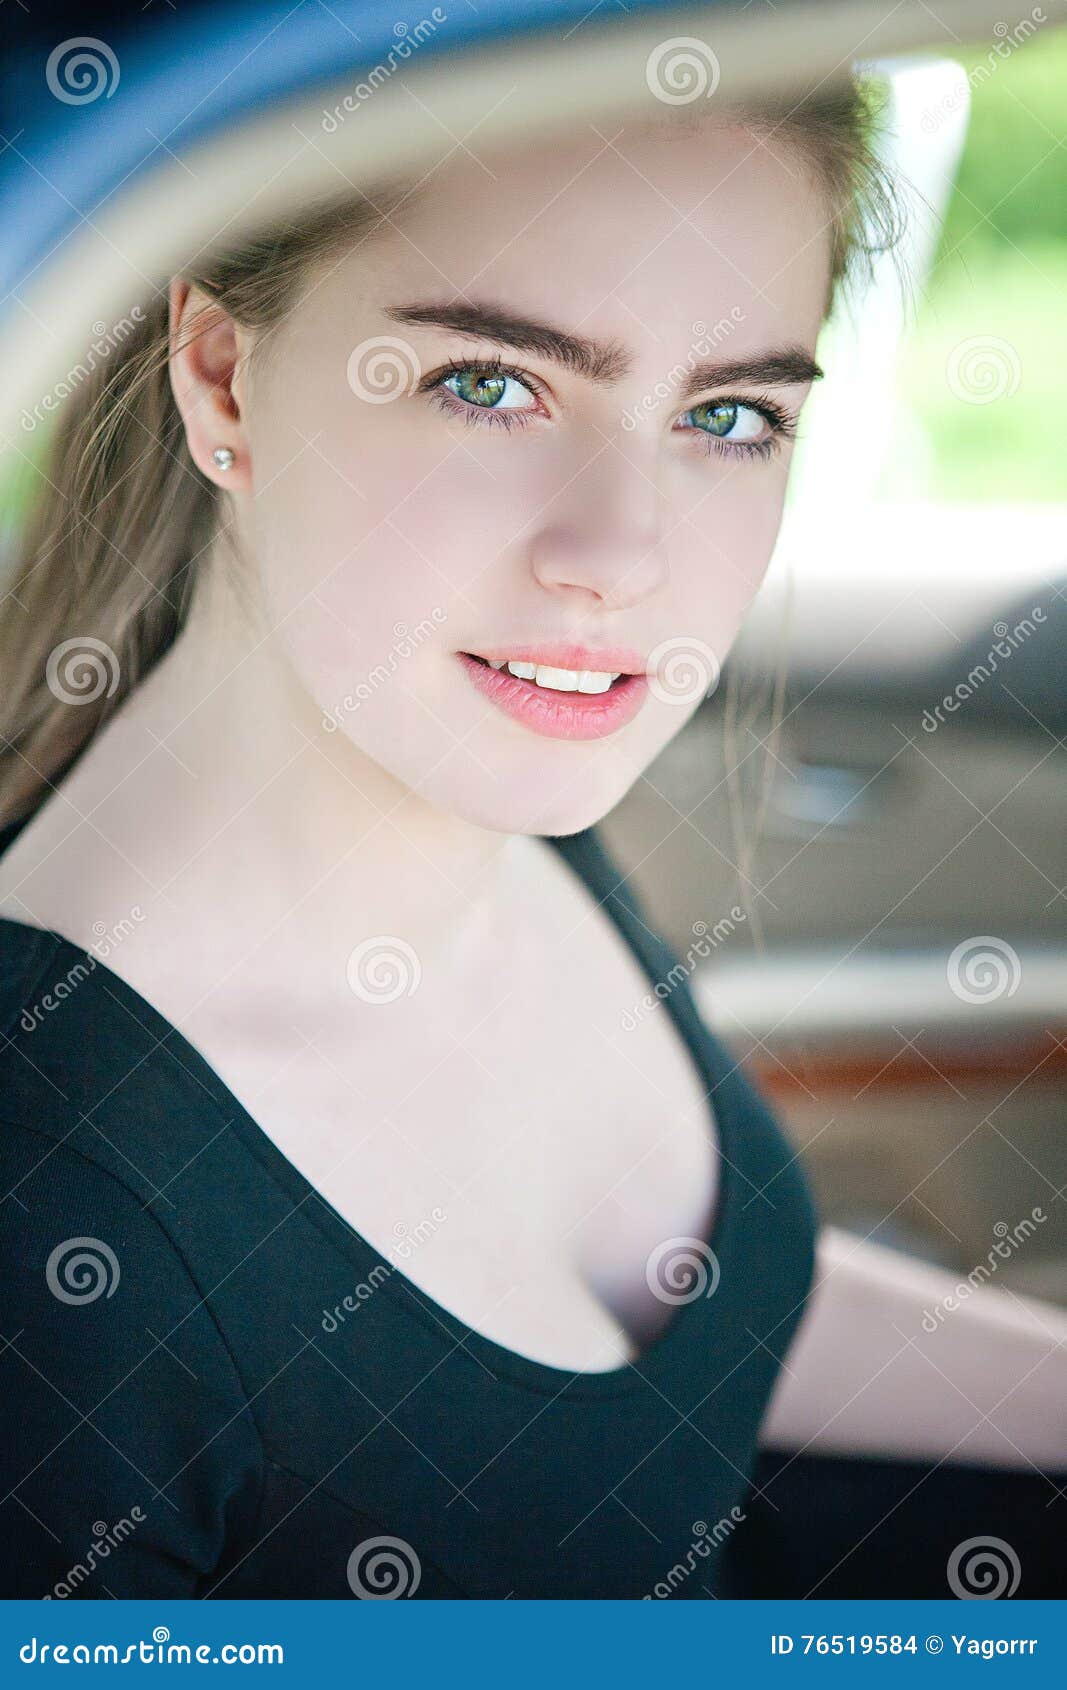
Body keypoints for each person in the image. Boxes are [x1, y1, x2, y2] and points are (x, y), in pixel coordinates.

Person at [0, 73, 1063, 1601]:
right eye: (491, 385)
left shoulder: (500, 805)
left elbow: (715, 1329)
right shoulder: (58, 1220)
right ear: (222, 376)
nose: (621, 556)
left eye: (728, 416)